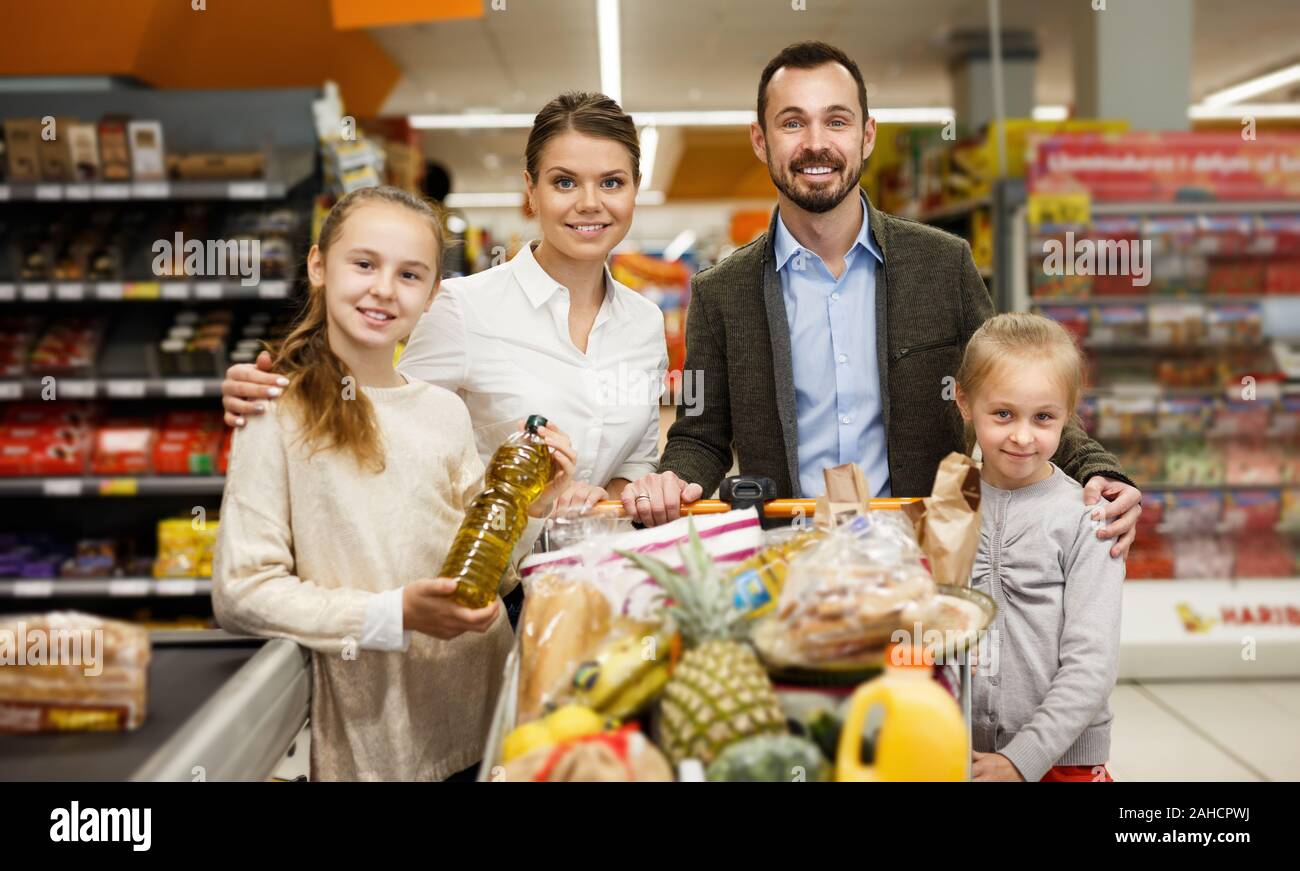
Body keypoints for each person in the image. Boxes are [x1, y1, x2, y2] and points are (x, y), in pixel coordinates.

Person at [621, 41, 1142, 561]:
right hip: (790, 566)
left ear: (867, 136)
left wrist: (1098, 469)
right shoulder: (721, 293)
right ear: (761, 140)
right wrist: (671, 481)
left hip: (929, 559)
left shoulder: (943, 265)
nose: (816, 143)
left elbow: (1017, 384)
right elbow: (701, 437)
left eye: (837, 121)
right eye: (793, 123)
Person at [212, 186, 577, 781]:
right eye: (364, 264)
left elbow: (492, 573)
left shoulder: (443, 411)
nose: (384, 288)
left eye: (410, 274)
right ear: (318, 265)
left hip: (482, 721)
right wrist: (393, 614)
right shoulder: (276, 410)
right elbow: (241, 593)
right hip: (377, 742)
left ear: (433, 295)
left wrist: (533, 507)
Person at [220, 92, 667, 519]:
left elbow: (639, 459)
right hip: (491, 583)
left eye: (612, 182)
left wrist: (606, 497)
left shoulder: (644, 322)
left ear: (634, 190)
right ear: (530, 189)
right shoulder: (462, 309)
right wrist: (286, 402)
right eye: (564, 182)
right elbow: (390, 438)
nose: (590, 204)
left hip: (612, 575)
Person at [955, 312, 1122, 783]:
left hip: (1063, 761)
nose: (1023, 436)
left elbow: (1092, 663)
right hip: (962, 753)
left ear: (1068, 415)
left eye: (1043, 417)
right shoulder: (947, 504)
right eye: (1003, 414)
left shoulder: (1087, 518)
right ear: (965, 402)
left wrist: (1021, 759)